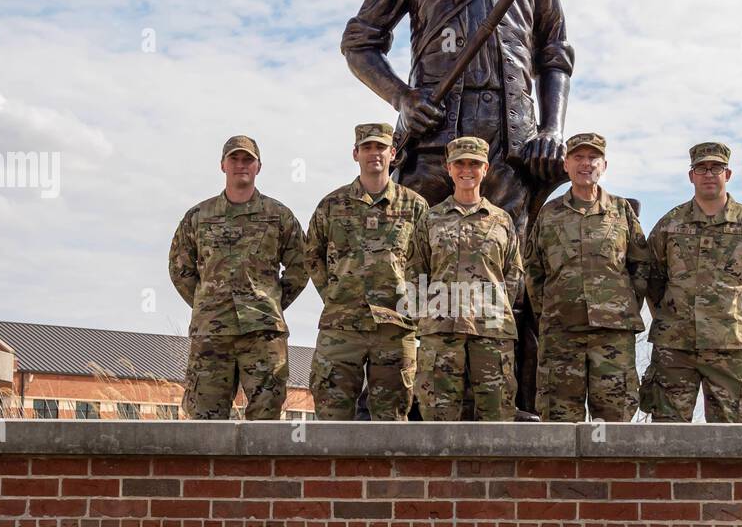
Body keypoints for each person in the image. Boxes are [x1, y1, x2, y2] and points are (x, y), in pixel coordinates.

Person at [341, 0, 574, 412]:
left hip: (511, 142)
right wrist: (401, 97)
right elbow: (361, 41)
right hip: (435, 136)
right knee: (415, 267)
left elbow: (555, 53)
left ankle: (510, 397)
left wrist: (551, 128)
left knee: (508, 269)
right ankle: (413, 397)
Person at [641, 141, 742, 423]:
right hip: (674, 348)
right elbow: (651, 277)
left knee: (732, 435)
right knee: (665, 436)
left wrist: (741, 318)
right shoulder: (670, 224)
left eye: (715, 168)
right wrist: (670, 316)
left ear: (727, 175)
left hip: (729, 346)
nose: (708, 174)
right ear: (691, 175)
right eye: (701, 168)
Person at [168, 135, 307, 419]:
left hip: (263, 333)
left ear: (258, 166)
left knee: (265, 418)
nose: (241, 165)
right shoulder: (199, 216)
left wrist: (271, 302)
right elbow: (180, 268)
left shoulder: (278, 216)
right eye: (235, 159)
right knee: (204, 419)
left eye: (248, 159)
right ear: (223, 165)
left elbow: (301, 266)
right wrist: (207, 302)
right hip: (211, 333)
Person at [305, 123, 430, 420]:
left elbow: (430, 261)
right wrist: (333, 294)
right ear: (355, 154)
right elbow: (311, 255)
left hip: (395, 327)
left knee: (391, 423)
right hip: (341, 328)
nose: (374, 153)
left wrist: (415, 305)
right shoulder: (332, 205)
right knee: (331, 417)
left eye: (381, 147)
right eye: (367, 147)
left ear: (393, 154)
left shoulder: (414, 207)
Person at [523, 133, 648, 421]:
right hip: (562, 333)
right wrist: (551, 309)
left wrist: (623, 305)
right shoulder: (549, 214)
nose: (586, 164)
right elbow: (533, 268)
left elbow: (641, 266)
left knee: (613, 419)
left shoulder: (621, 211)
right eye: (578, 157)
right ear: (566, 165)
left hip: (613, 334)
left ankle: (612, 468)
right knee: (560, 418)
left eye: (593, 158)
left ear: (604, 165)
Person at [405, 136, 523, 420]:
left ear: (485, 170)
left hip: (492, 330)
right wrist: (429, 313)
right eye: (460, 164)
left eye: (474, 164)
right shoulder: (431, 219)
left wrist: (492, 307)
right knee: (438, 418)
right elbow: (415, 270)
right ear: (449, 167)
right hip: (441, 330)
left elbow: (513, 272)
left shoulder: (501, 220)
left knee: (497, 417)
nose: (466, 170)